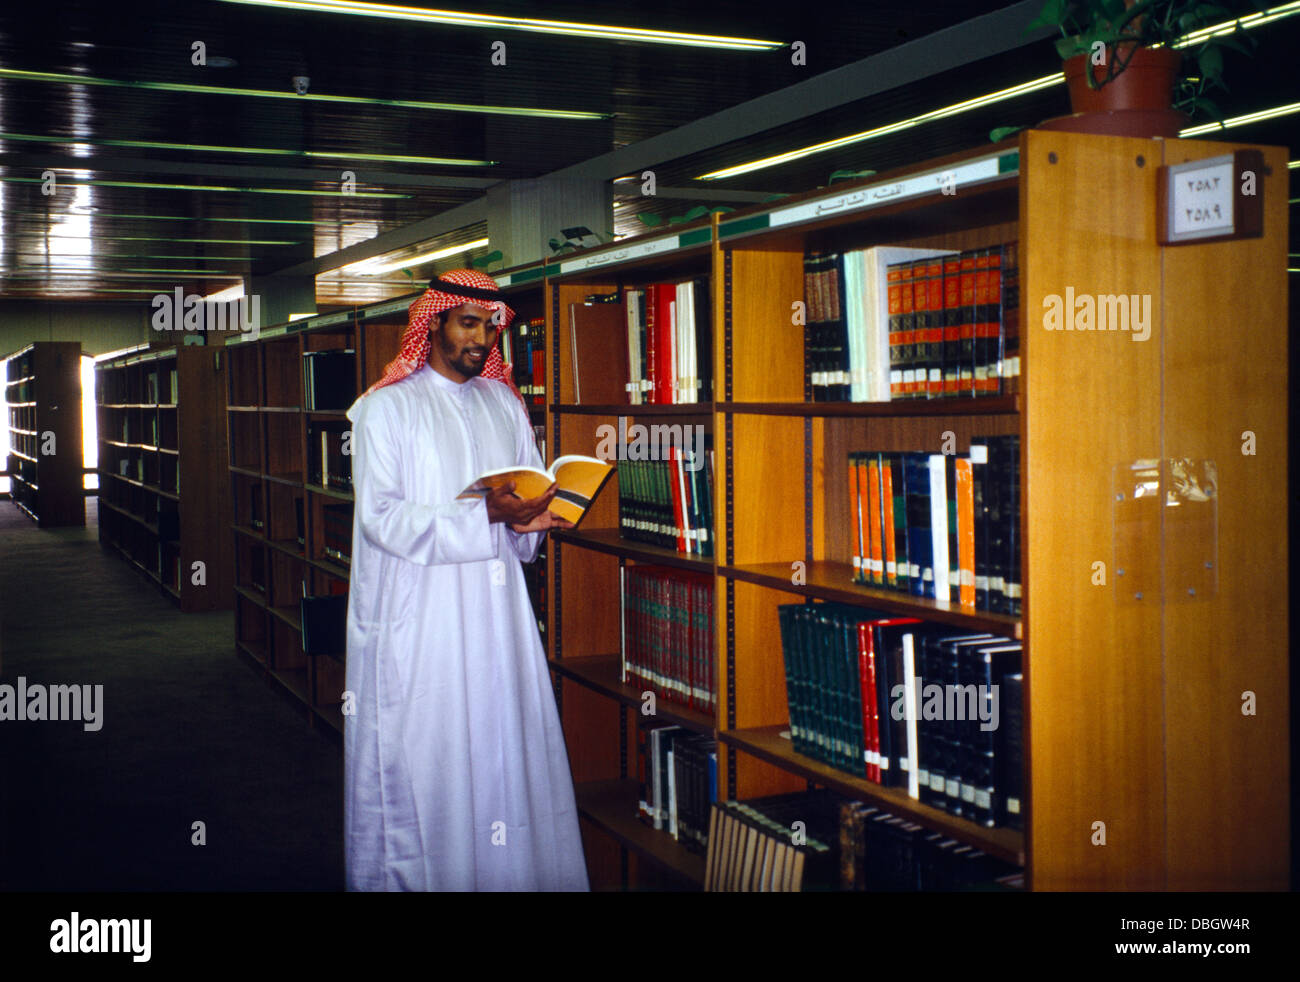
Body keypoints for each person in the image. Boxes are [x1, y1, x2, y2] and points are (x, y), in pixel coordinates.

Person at [343, 269, 589, 891]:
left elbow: (526, 495)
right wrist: (483, 515)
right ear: (434, 326)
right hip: (420, 623)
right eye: (469, 323)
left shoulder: (503, 402)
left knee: (503, 755)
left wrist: (535, 519)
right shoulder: (383, 409)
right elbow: (382, 518)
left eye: (491, 326)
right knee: (428, 764)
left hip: (497, 620)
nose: (482, 338)